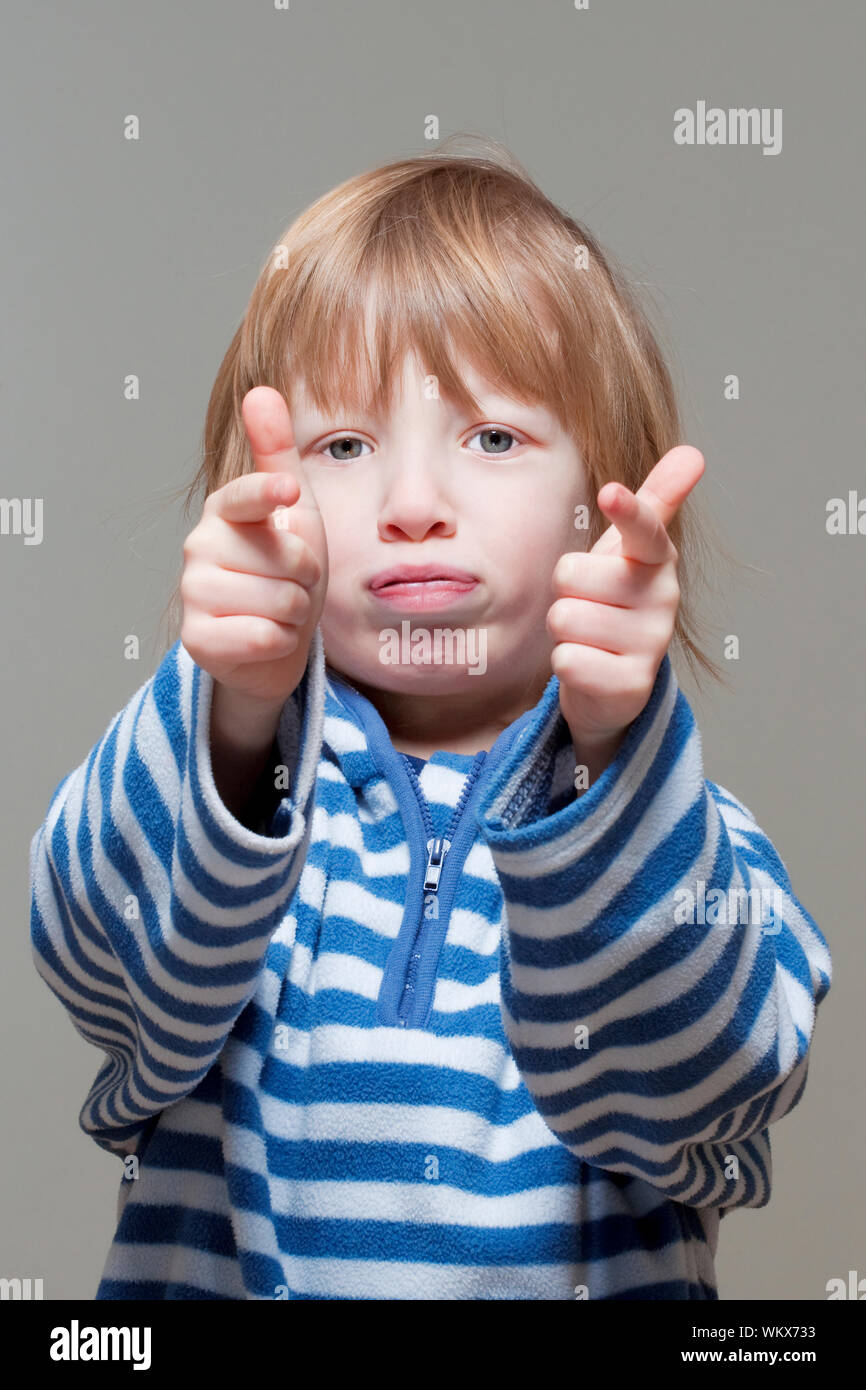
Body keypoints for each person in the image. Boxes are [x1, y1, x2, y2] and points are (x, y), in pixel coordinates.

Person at [29, 138, 832, 1300]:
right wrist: (231, 713)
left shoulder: (689, 839)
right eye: (344, 446)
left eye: (492, 438)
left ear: (598, 499)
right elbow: (96, 966)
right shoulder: (227, 800)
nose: (411, 505)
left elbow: (708, 1090)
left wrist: (614, 762)